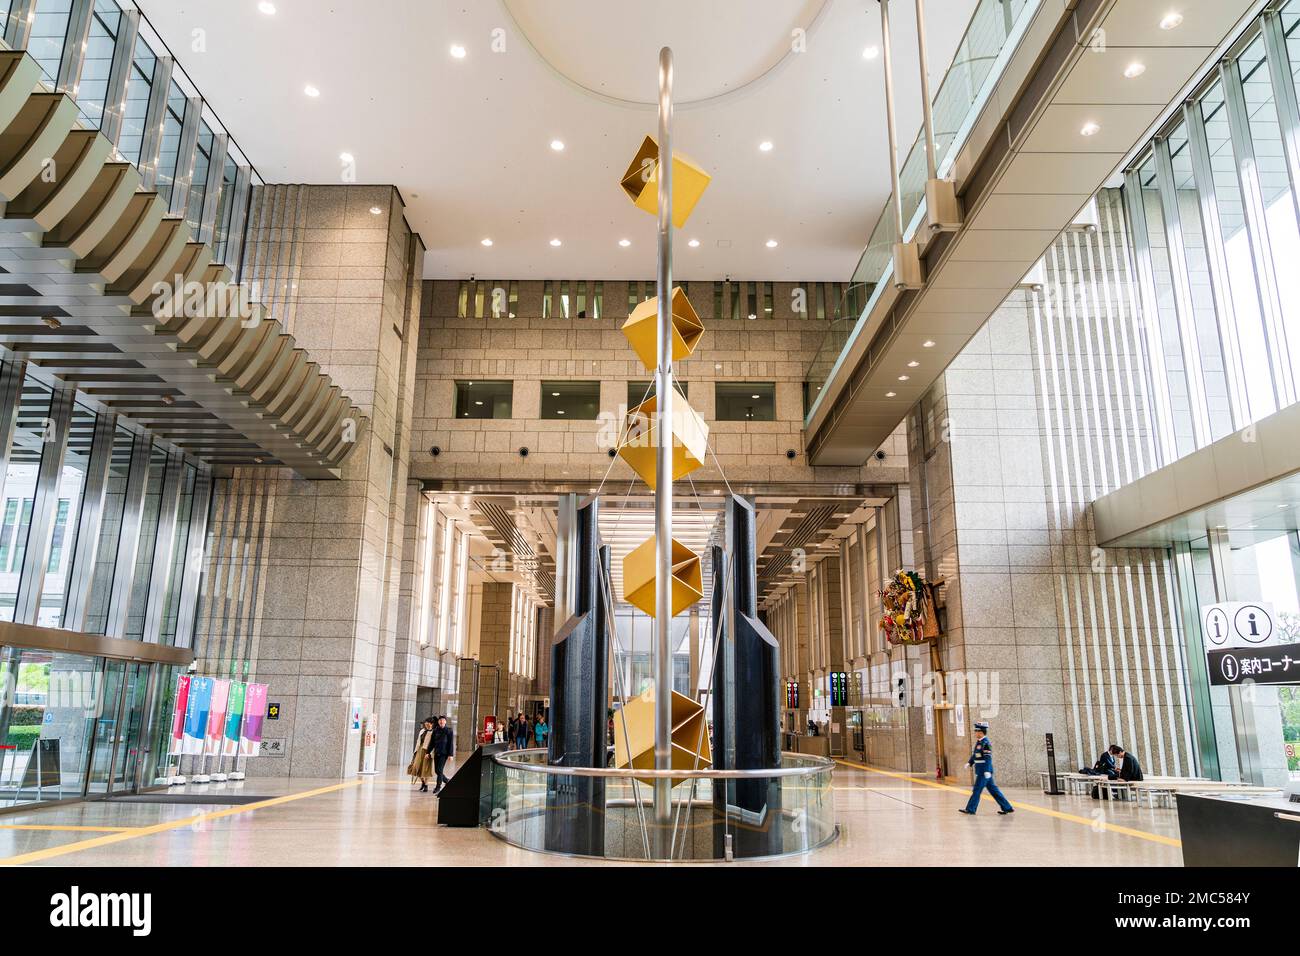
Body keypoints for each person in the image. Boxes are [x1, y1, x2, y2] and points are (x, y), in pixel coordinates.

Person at [958, 721, 1014, 816]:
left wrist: (987, 771)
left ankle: (971, 809)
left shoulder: (985, 743)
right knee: (994, 790)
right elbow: (975, 755)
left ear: (981, 732)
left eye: (976, 731)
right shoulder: (980, 742)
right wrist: (969, 762)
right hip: (981, 771)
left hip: (984, 772)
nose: (975, 733)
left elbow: (988, 758)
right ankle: (1007, 807)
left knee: (977, 790)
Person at [406, 717, 435, 792]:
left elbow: (434, 744)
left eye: (427, 722)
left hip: (427, 751)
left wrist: (430, 753)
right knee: (416, 767)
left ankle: (426, 785)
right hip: (419, 750)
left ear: (431, 724)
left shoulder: (433, 732)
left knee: (426, 769)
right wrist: (415, 752)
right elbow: (418, 742)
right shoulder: (422, 731)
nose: (425, 723)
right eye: (425, 722)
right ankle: (423, 783)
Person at [431, 715, 454, 795]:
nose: (441, 721)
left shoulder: (449, 731)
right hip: (436, 753)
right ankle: (447, 781)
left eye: (443, 720)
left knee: (440, 770)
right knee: (437, 771)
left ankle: (438, 787)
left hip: (444, 754)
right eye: (440, 720)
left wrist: (450, 754)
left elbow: (450, 743)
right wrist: (428, 752)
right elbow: (432, 743)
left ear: (445, 722)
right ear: (438, 722)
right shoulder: (435, 730)